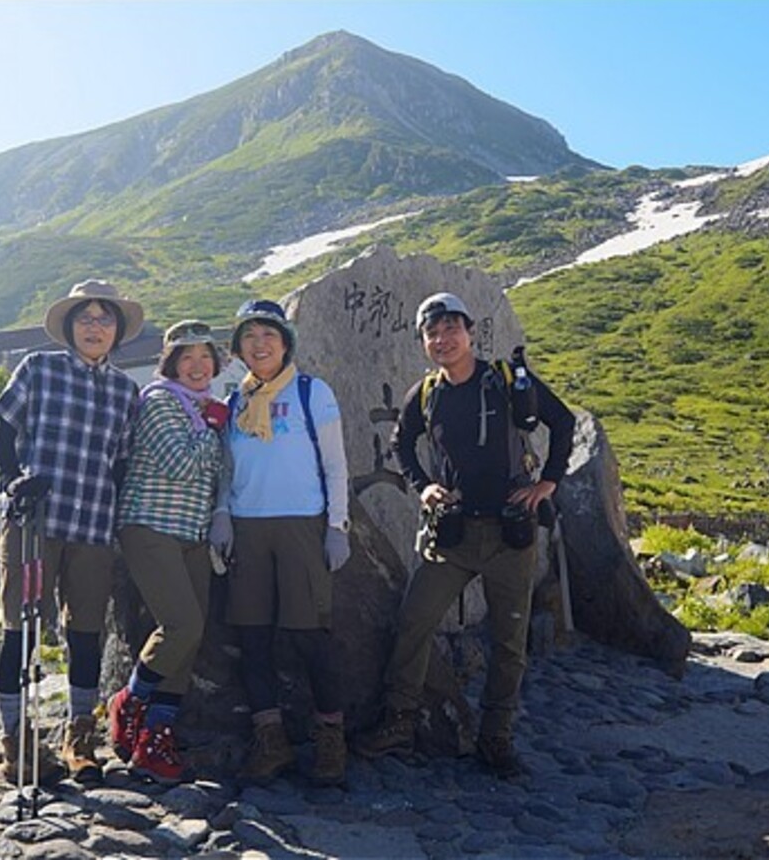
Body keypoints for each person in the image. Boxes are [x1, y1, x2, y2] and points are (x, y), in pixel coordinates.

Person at [356, 292, 576, 778]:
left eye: (451, 328)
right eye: (432, 332)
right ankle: (400, 720)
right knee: (414, 620)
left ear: (470, 332)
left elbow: (563, 422)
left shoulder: (504, 380)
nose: (442, 339)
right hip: (450, 535)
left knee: (509, 641)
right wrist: (423, 486)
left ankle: (495, 738)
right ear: (423, 342)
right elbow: (400, 443)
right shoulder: (428, 392)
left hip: (509, 533)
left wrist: (548, 482)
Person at [0, 278, 144, 786]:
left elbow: (120, 463)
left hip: (92, 524)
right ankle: (17, 743)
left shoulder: (126, 391)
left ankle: (80, 740)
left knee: (86, 635)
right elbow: (4, 432)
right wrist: (13, 481)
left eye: (105, 319)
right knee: (20, 631)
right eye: (86, 318)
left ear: (117, 331)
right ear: (70, 327)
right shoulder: (39, 368)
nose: (95, 327)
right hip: (34, 523)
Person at [209, 299, 352, 786]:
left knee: (310, 636)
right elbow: (227, 471)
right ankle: (271, 740)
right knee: (253, 639)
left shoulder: (314, 393)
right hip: (248, 527)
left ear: (285, 342)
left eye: (269, 334)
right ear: (238, 348)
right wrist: (222, 515)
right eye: (249, 336)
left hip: (301, 526)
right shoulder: (234, 403)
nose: (260, 344)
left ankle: (332, 738)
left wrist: (338, 527)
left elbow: (335, 464)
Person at [105, 320, 230, 785]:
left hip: (192, 533)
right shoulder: (159, 401)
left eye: (204, 357)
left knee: (189, 638)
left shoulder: (204, 406)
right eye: (186, 358)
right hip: (151, 527)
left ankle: (154, 739)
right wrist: (212, 428)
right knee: (183, 625)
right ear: (171, 365)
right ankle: (130, 701)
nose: (197, 366)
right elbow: (181, 465)